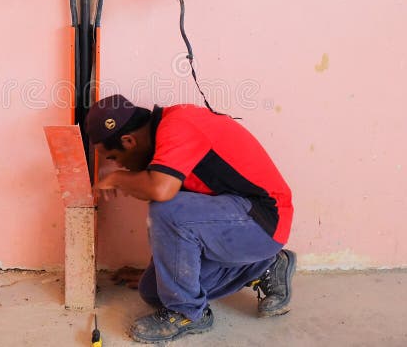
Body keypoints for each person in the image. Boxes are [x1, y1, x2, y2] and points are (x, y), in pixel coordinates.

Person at [87, 94, 295, 344]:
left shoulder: (179, 124)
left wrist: (118, 178)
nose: (116, 165)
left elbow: (162, 192)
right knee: (154, 292)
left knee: (166, 208)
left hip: (264, 221)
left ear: (128, 141)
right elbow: (183, 224)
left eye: (113, 158)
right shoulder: (164, 142)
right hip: (235, 223)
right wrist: (162, 272)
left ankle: (187, 313)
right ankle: (265, 266)